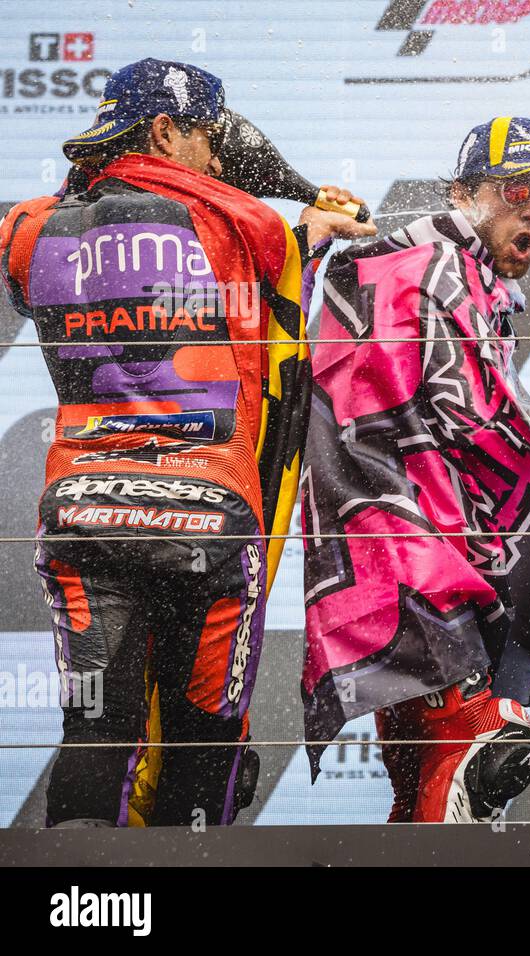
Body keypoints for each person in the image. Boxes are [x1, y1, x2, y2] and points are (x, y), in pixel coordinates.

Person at [0, 58, 373, 827]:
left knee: (96, 738)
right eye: (207, 135)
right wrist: (315, 219)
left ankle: (80, 909)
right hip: (207, 517)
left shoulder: (28, 229)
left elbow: (72, 239)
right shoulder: (249, 224)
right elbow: (275, 286)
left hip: (84, 515)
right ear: (167, 130)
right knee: (204, 750)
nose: (218, 153)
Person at [301, 116, 530, 823]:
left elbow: (450, 412)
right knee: (479, 765)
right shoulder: (437, 269)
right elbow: (475, 421)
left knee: (432, 788)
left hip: (408, 573)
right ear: (461, 192)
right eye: (518, 188)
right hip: (426, 576)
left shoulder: (437, 274)